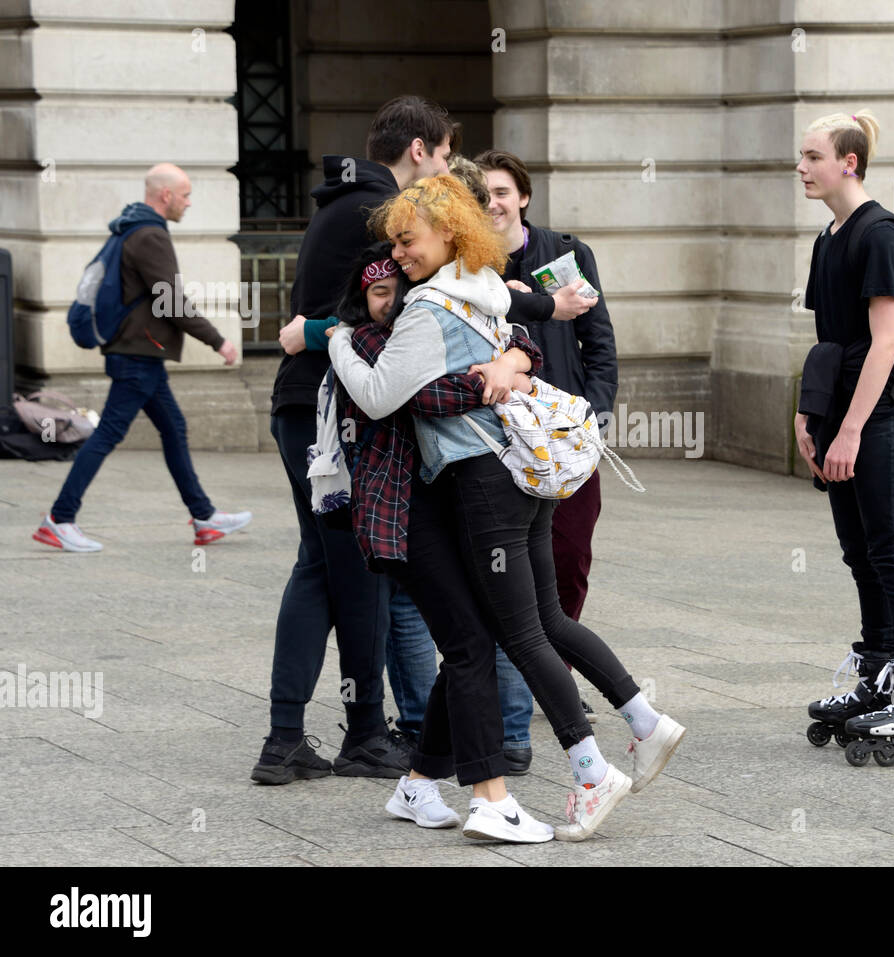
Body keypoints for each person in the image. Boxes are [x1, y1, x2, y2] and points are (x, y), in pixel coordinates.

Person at [328, 174, 685, 841]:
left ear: (446, 234)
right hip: (517, 466)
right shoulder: (485, 287)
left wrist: (335, 342)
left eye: (407, 241)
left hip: (481, 476)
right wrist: (510, 364)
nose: (399, 256)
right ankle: (639, 722)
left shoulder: (430, 308)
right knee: (514, 627)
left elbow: (386, 396)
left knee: (511, 634)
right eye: (393, 248)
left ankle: (587, 771)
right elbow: (520, 330)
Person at [251, 95, 456, 786]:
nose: (447, 169)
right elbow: (386, 312)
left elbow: (324, 312)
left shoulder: (340, 203)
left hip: (302, 404)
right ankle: (352, 733)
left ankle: (307, 735)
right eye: (447, 153)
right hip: (334, 412)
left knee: (327, 563)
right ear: (421, 149)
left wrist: (310, 332)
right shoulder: (381, 215)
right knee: (352, 564)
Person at [792, 110, 894, 744]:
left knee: (892, 551)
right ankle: (882, 675)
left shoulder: (880, 235)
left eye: (811, 157)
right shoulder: (829, 238)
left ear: (848, 162)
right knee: (861, 555)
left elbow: (884, 345)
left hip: (881, 417)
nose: (801, 169)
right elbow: (831, 341)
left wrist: (852, 429)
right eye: (801, 158)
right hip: (843, 414)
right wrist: (811, 415)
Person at [35, 163, 250, 553]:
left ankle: (203, 516)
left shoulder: (130, 229)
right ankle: (59, 519)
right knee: (107, 434)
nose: (189, 202)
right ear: (165, 195)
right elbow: (171, 300)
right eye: (185, 195)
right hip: (136, 355)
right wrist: (218, 341)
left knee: (174, 428)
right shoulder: (150, 235)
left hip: (139, 353)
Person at [476, 148, 617, 724]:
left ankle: (551, 670)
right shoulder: (466, 267)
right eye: (481, 193)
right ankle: (517, 674)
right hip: (501, 437)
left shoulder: (566, 253)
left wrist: (597, 417)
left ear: (524, 197)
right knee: (506, 562)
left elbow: (600, 344)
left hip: (566, 437)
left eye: (503, 191)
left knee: (569, 556)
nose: (493, 202)